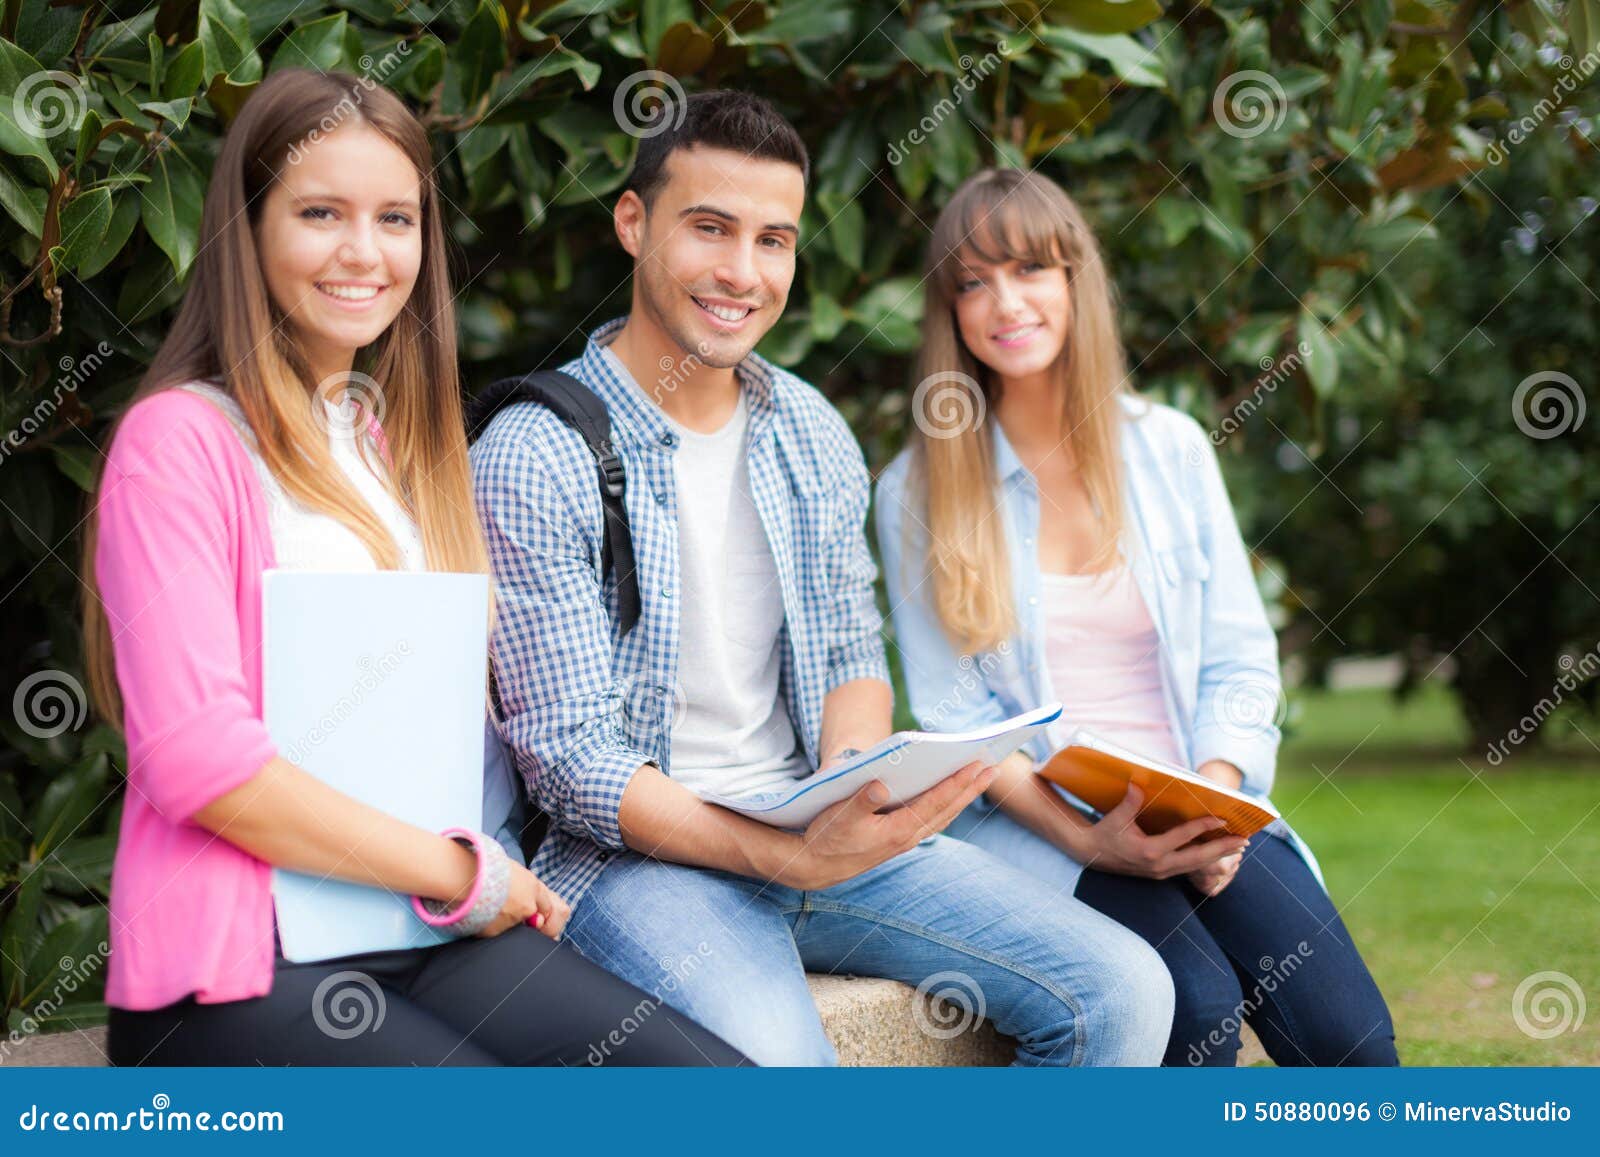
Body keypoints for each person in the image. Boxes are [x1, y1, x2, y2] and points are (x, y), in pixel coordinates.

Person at [472, 91, 1175, 1067]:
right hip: (637, 869)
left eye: (774, 240)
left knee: (1125, 986)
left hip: (819, 830)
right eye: (709, 229)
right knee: (782, 1066)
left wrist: (849, 785)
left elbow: (851, 648)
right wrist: (783, 850)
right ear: (632, 225)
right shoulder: (533, 452)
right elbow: (572, 761)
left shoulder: (806, 428)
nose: (742, 272)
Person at [84, 70, 747, 1067]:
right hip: (249, 962)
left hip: (414, 922)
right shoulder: (176, 441)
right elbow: (197, 760)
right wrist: (459, 871)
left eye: (395, 218)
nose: (365, 251)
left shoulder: (390, 443)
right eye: (320, 213)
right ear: (248, 230)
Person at [875, 167, 1398, 1067]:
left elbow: (1238, 658)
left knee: (1349, 1040)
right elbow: (964, 728)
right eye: (973, 280)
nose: (1005, 301)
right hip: (1048, 826)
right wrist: (1089, 837)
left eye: (1031, 268)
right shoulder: (915, 491)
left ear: (1076, 281)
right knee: (1193, 1007)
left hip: (1201, 799)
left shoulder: (1170, 448)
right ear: (949, 309)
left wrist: (1218, 802)